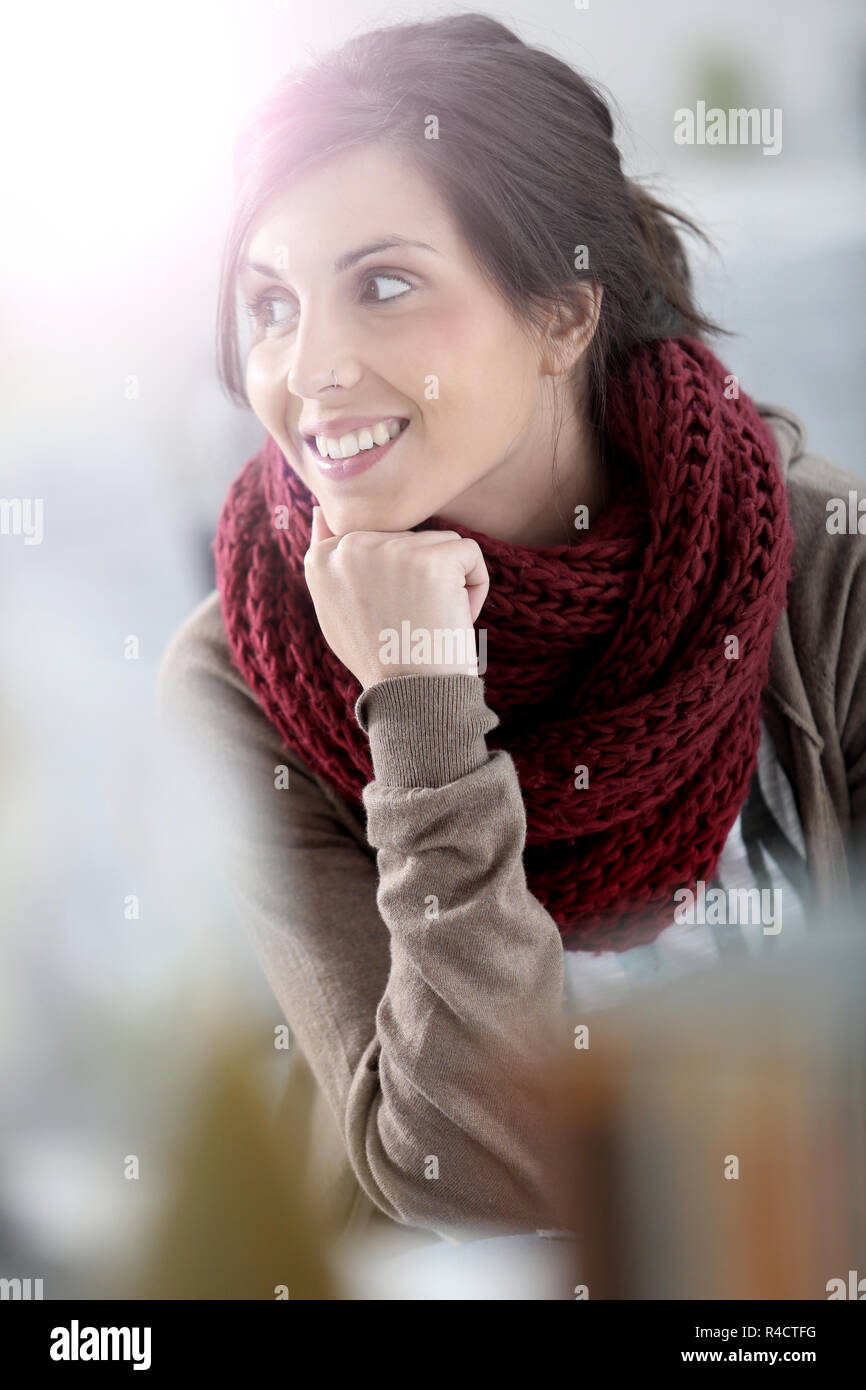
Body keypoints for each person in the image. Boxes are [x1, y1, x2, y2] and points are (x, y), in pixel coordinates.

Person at [157, 13, 866, 1257]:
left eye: (383, 283)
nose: (308, 368)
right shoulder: (240, 674)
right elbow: (465, 1172)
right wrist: (420, 700)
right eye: (269, 303)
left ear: (560, 317)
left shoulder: (823, 572)